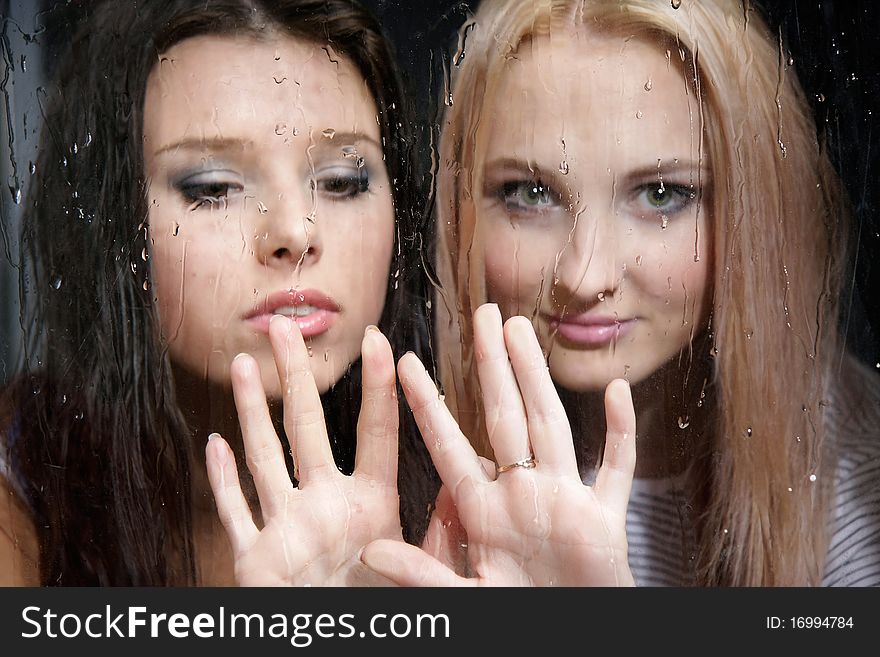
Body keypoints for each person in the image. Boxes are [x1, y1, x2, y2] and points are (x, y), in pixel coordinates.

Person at [360, 0, 880, 586]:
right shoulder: (385, 467)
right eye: (529, 193)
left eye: (661, 194)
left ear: (754, 213)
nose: (584, 277)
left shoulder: (856, 487)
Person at [0, 0, 439, 586]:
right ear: (108, 225)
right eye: (212, 188)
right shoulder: (23, 495)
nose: (294, 232)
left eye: (342, 180)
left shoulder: (470, 474)